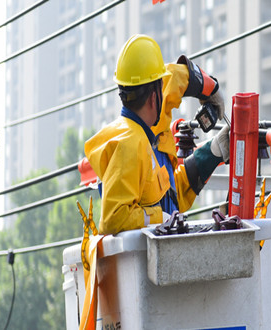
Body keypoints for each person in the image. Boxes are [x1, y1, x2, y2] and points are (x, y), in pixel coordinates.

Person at [84, 34, 229, 235]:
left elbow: (170, 195)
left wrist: (212, 152)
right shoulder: (129, 144)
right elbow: (113, 219)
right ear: (154, 98)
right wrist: (161, 218)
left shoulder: (144, 138)